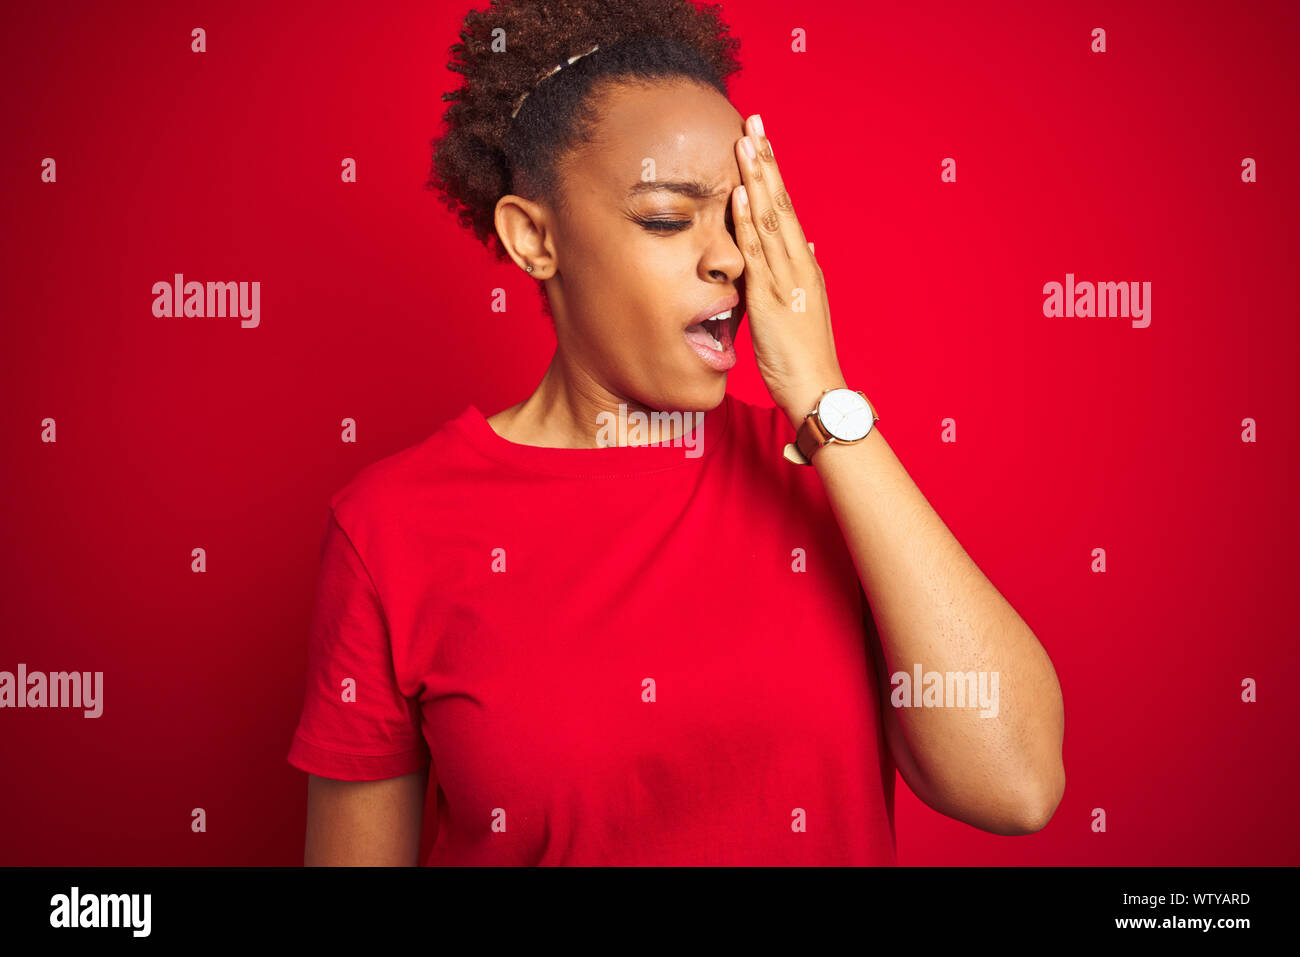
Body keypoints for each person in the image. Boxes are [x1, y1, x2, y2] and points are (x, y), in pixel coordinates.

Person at [287, 0, 1066, 866]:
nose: (729, 258)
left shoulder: (819, 469)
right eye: (667, 217)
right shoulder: (391, 528)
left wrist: (822, 395)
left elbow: (1016, 783)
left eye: (737, 218)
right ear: (533, 238)